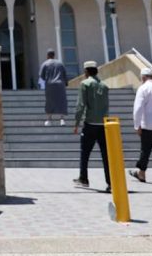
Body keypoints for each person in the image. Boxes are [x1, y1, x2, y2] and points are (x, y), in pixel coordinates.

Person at [73, 61, 111, 192]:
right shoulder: (104, 86)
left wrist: (76, 123)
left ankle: (83, 178)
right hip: (103, 124)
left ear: (86, 71)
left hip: (90, 124)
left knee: (85, 152)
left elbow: (81, 105)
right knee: (106, 155)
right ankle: (110, 182)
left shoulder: (85, 84)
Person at [39, 49, 68, 126]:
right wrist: (66, 83)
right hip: (60, 84)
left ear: (47, 55)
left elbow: (41, 76)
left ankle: (49, 120)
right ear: (54, 55)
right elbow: (65, 74)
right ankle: (62, 120)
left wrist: (47, 79)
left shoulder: (45, 64)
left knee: (49, 102)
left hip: (50, 85)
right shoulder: (60, 64)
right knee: (61, 101)